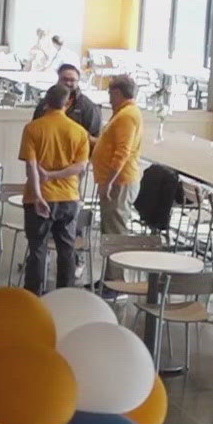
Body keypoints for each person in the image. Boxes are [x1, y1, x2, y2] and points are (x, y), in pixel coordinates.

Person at [20, 83, 90, 295]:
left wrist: (40, 193)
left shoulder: (33, 128)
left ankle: (33, 299)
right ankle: (64, 297)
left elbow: (31, 166)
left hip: (37, 198)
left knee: (37, 250)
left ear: (46, 102)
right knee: (67, 249)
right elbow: (81, 166)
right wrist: (57, 175)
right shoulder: (79, 132)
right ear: (68, 103)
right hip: (68, 197)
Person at [92, 76, 143, 234]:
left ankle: (115, 260)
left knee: (114, 232)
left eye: (110, 94)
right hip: (115, 180)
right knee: (109, 228)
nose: (109, 100)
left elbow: (122, 152)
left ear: (117, 93)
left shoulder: (127, 116)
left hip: (118, 182)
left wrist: (108, 183)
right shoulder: (123, 113)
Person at [32, 63, 102, 138]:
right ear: (58, 79)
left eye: (72, 80)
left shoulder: (89, 107)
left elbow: (96, 140)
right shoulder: (44, 103)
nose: (68, 83)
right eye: (64, 79)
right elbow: (35, 130)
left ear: (78, 81)